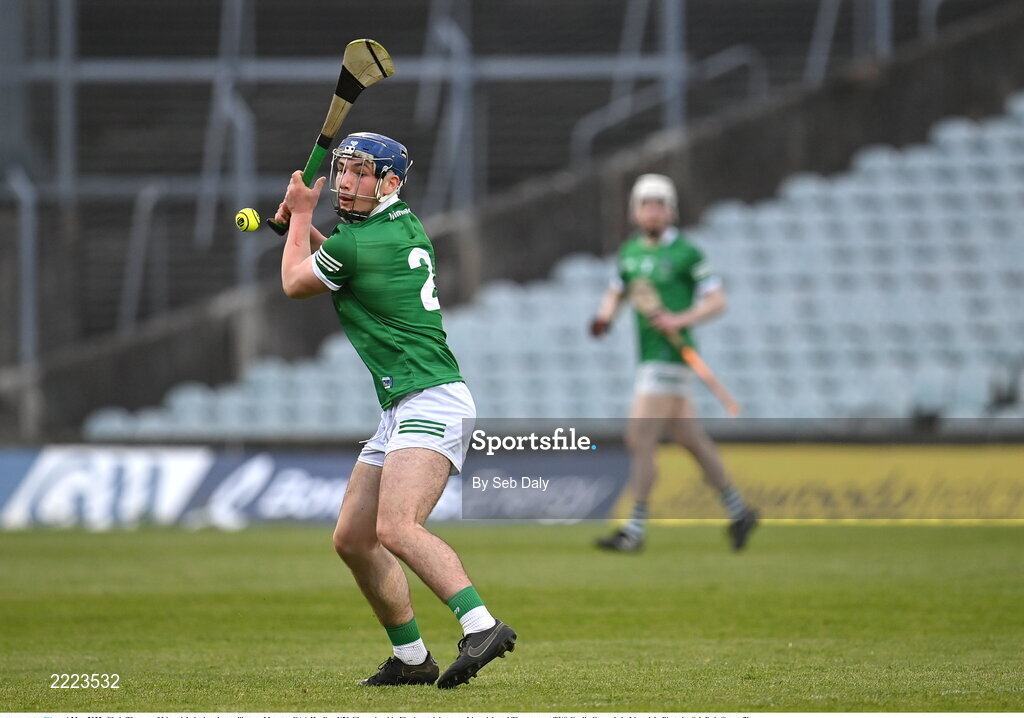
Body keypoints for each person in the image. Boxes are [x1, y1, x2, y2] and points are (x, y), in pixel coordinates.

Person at [276, 132, 516, 688]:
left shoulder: (357, 243)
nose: (345, 182)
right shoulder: (394, 226)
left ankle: (482, 625)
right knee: (353, 539)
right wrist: (298, 226)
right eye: (342, 170)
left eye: (361, 173)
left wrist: (298, 217)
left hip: (431, 397)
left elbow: (295, 282)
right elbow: (334, 258)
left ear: (391, 183)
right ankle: (412, 659)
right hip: (403, 404)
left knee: (396, 527)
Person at [589, 173, 759, 552]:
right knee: (690, 439)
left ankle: (634, 531)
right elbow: (617, 292)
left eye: (660, 204)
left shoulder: (687, 253)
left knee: (639, 437)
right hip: (651, 356)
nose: (653, 212)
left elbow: (718, 301)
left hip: (669, 356)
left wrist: (678, 319)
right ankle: (739, 511)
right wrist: (604, 318)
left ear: (672, 211)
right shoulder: (630, 252)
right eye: (646, 204)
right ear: (635, 211)